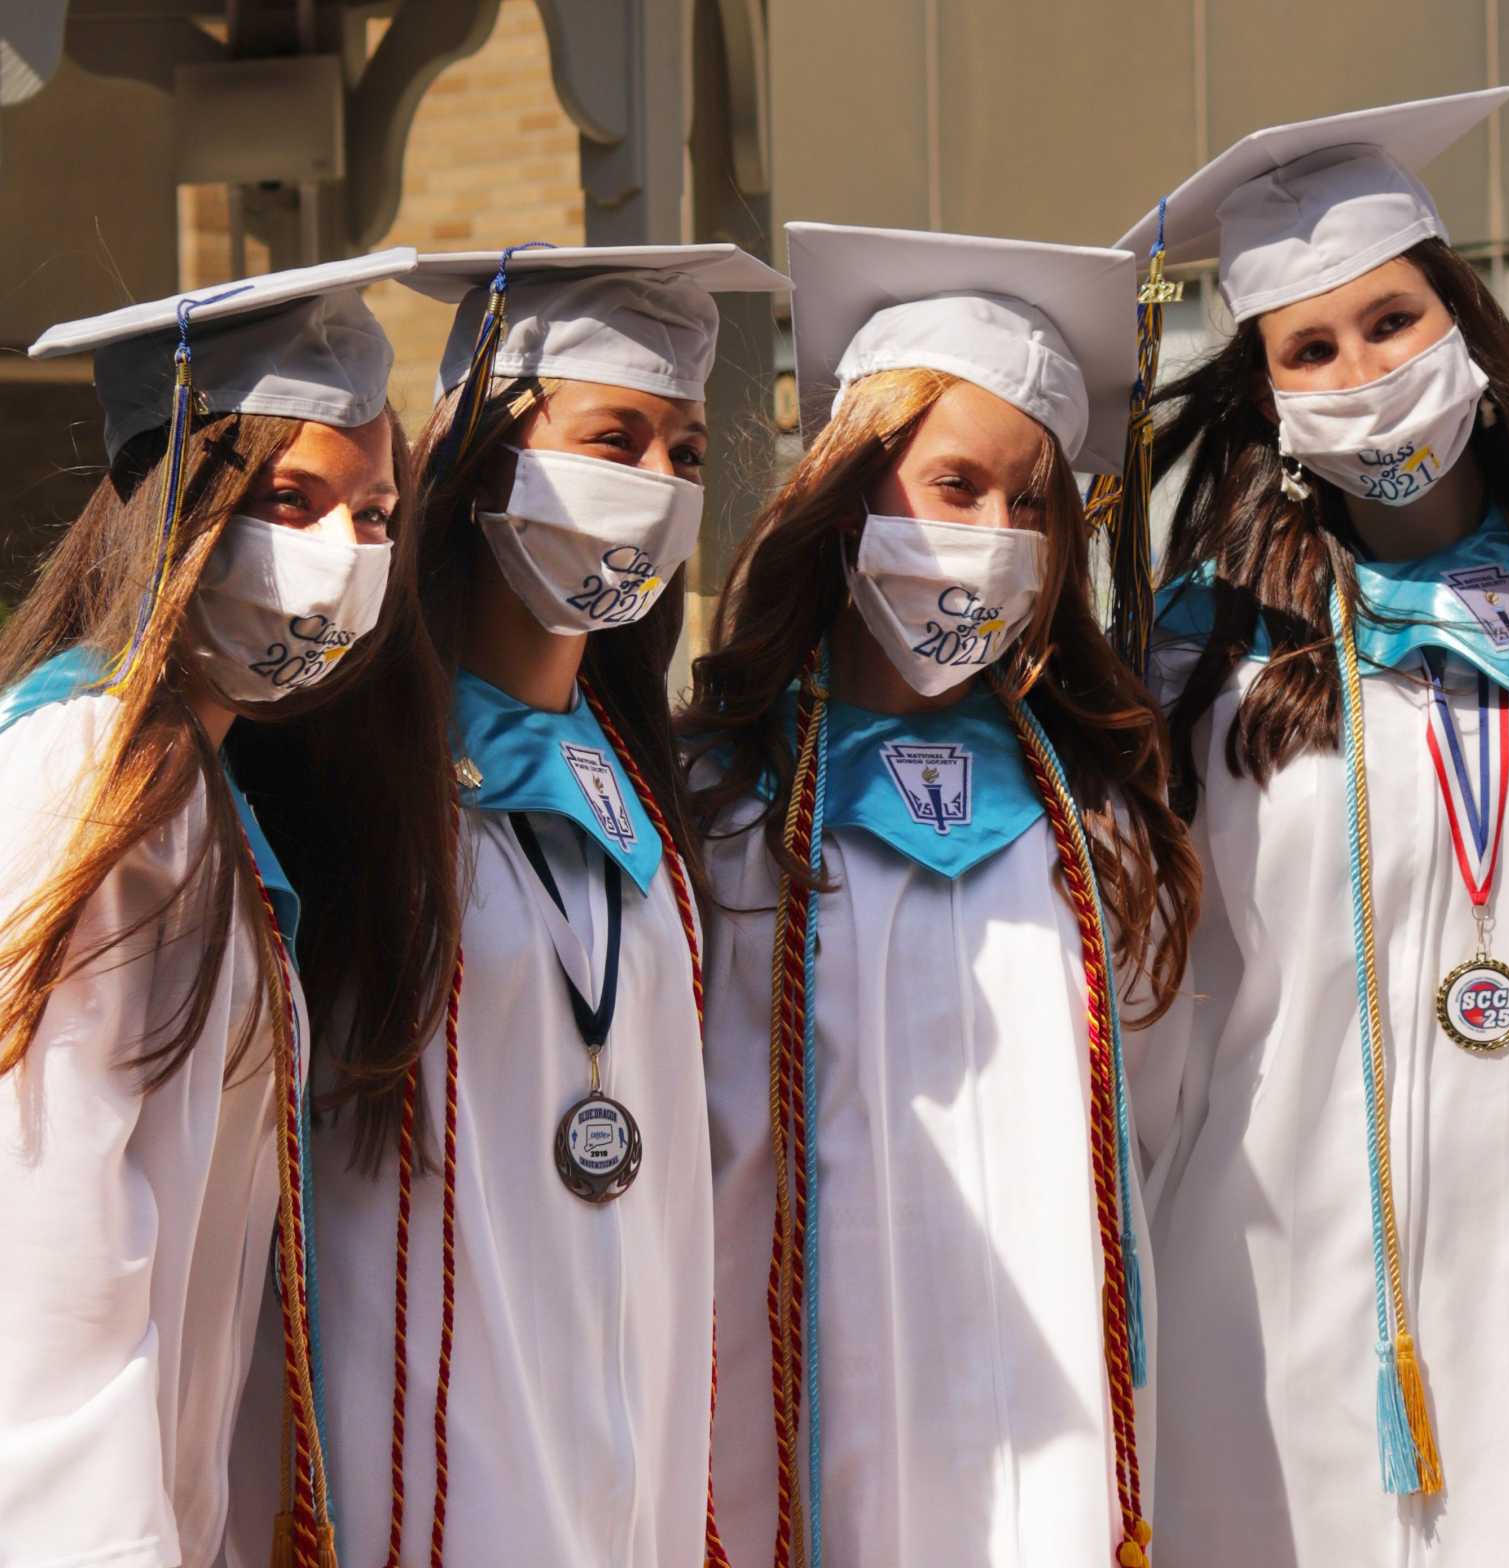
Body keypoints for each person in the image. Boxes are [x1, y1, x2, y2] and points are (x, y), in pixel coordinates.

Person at [1126, 90, 1509, 1565]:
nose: (1365, 371)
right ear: (1269, 397)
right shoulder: (1211, 669)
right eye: (1313, 350)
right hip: (1300, 1289)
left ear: (1464, 322)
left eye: (1392, 321)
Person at [223, 243, 787, 1568]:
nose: (653, 486)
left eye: (686, 454)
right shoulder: (341, 765)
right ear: (485, 448)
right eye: (615, 437)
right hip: (422, 1414)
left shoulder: (640, 776)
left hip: (621, 1429)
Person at [679, 222, 1200, 1568]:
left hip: (1054, 1420)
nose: (994, 534)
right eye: (955, 484)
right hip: (797, 1394)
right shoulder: (721, 803)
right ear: (848, 492)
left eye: (1031, 503)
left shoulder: (1092, 820)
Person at [0, 254, 450, 1568]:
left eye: (375, 516)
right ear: (176, 502)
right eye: (286, 497)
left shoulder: (211, 802)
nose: (340, 555)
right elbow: (47, 1251)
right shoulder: (82, 773)